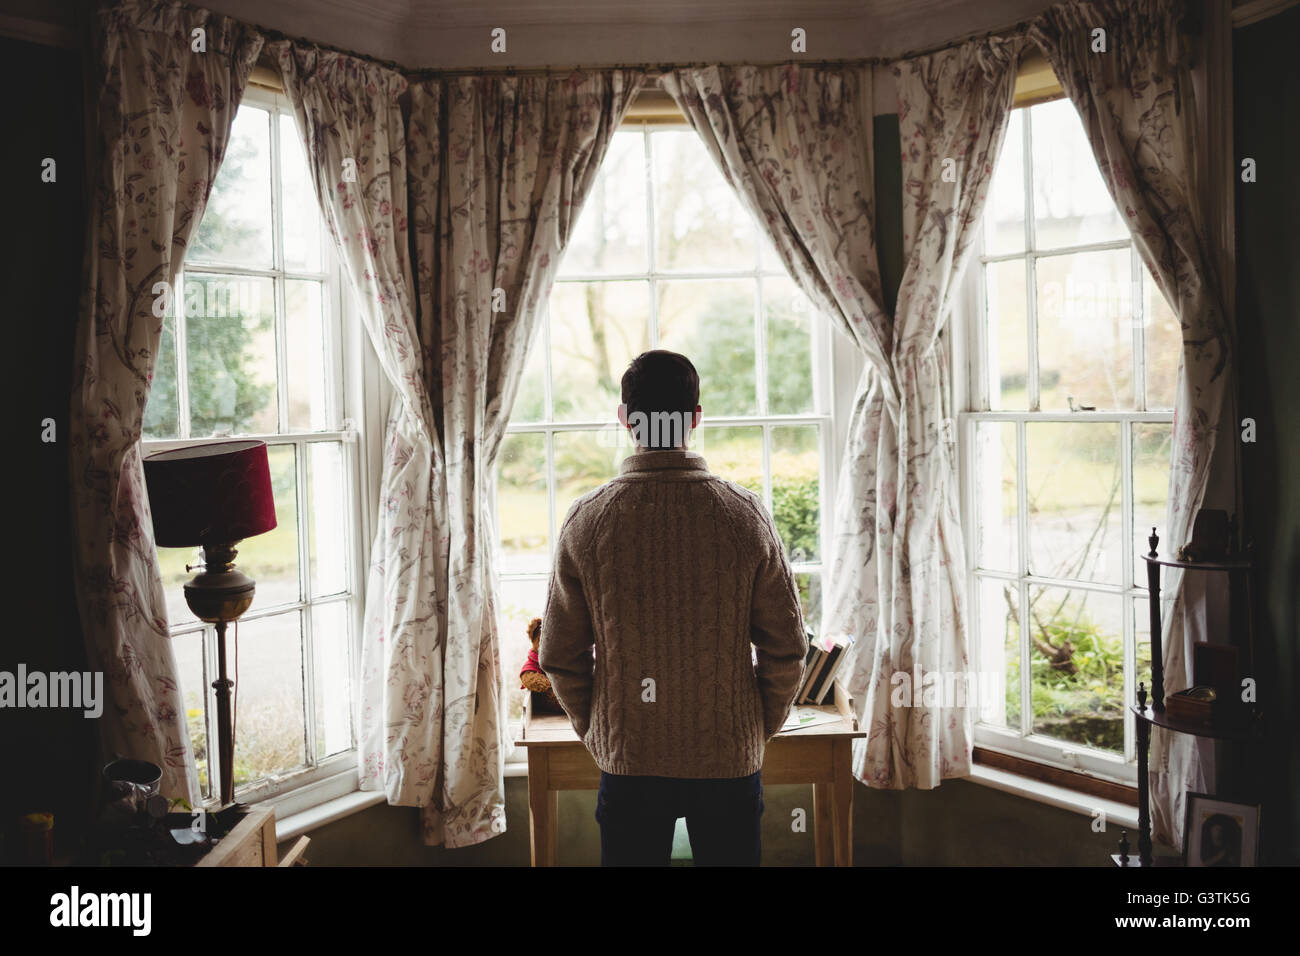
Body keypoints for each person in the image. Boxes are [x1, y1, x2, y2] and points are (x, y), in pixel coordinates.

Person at [539, 349, 808, 866]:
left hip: (630, 762)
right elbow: (787, 647)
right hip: (727, 761)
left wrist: (600, 731)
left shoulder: (588, 521)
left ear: (625, 420)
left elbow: (560, 655)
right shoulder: (743, 516)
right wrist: (752, 727)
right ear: (696, 418)